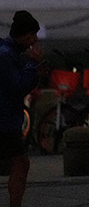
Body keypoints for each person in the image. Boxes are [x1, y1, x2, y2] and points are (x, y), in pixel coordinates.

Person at [0, 11, 43, 207]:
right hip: (5, 121)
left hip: (7, 119)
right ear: (22, 35)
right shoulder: (7, 55)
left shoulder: (9, 52)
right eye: (32, 35)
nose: (35, 40)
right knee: (21, 163)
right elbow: (17, 87)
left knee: (20, 163)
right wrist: (33, 65)